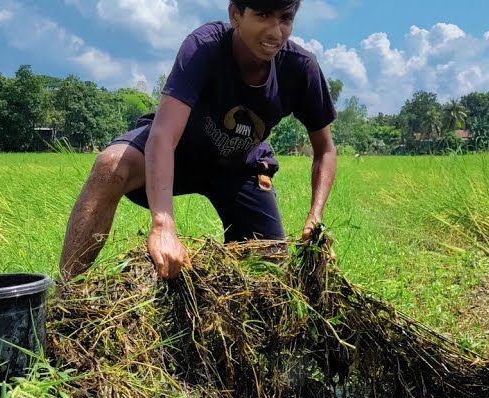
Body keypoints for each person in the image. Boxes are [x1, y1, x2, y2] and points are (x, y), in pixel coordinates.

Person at [58, 0, 337, 282]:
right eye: (263, 15)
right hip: (178, 154)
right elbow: (163, 136)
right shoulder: (204, 47)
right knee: (110, 166)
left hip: (239, 167)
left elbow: (325, 149)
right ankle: (63, 298)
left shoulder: (300, 69)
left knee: (270, 271)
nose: (275, 31)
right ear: (235, 15)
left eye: (285, 18)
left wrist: (315, 217)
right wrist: (162, 223)